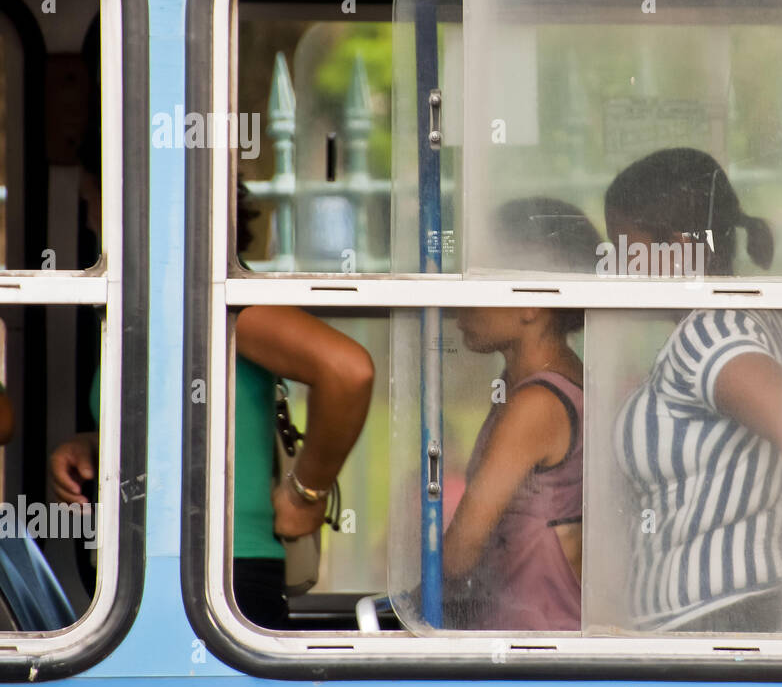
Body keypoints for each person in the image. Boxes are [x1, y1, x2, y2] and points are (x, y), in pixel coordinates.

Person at [51, 182, 375, 629]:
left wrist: (307, 494)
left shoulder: (208, 291)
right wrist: (95, 443)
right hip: (155, 563)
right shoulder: (146, 299)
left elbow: (348, 371)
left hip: (219, 571)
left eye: (92, 200)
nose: (89, 219)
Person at [604, 147, 782, 633]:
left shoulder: (709, 334)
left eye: (623, 249)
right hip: (741, 614)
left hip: (719, 625)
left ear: (676, 247)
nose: (611, 270)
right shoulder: (759, 318)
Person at [442, 198, 600, 631]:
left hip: (533, 645)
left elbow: (459, 554)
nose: (460, 308)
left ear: (531, 301)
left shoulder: (537, 405)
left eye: (481, 283)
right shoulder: (559, 383)